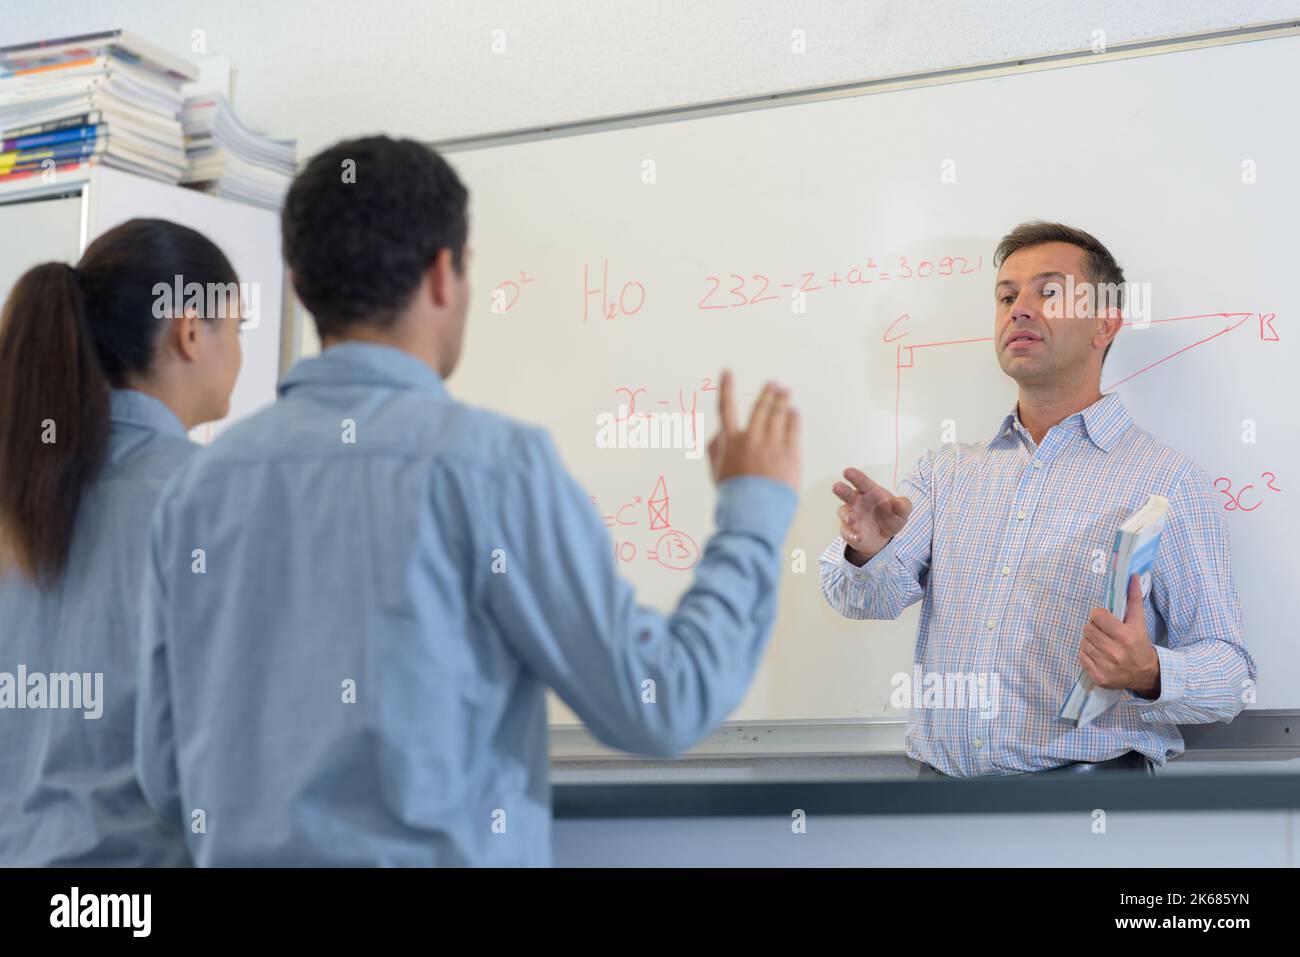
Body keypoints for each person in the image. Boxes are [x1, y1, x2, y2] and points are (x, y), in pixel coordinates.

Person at [135, 136, 801, 865]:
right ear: (444, 274)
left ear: (296, 284)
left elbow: (168, 777)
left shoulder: (197, 488)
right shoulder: (492, 467)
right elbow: (663, 700)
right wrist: (753, 509)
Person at [821, 221, 1256, 777]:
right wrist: (868, 553)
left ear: (1105, 324)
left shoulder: (1168, 482)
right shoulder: (947, 473)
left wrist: (1149, 671)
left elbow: (1232, 675)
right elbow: (865, 602)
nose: (1019, 309)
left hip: (1088, 811)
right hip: (938, 807)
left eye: (1048, 292)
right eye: (1007, 296)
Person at [0, 219, 243, 863]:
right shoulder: (210, 500)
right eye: (237, 329)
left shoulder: (18, 490)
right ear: (190, 331)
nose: (240, 353)